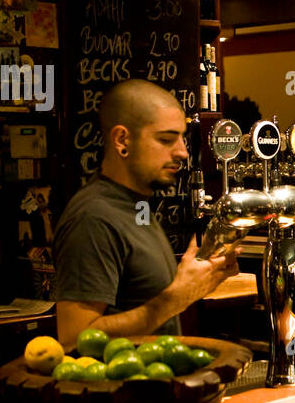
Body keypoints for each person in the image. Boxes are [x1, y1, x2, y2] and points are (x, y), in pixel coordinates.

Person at [54, 79, 237, 350]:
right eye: (166, 139)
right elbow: (73, 339)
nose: (183, 152)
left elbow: (149, 305)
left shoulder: (136, 205)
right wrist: (177, 297)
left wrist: (196, 281)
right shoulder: (93, 218)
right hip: (118, 391)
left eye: (182, 139)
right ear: (122, 140)